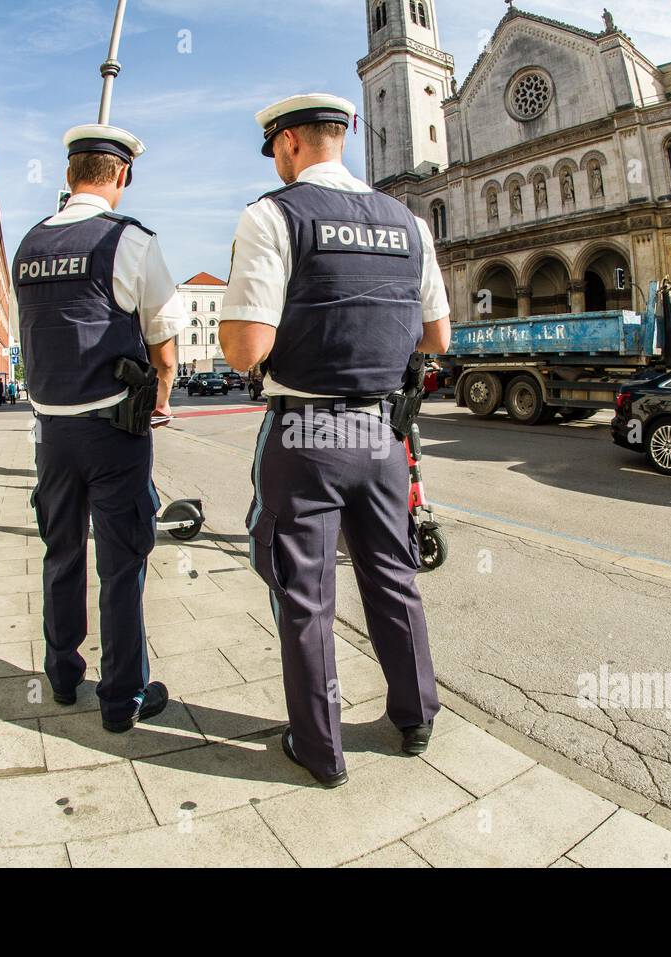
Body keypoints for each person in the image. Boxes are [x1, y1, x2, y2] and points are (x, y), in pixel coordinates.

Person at [220, 94, 452, 788]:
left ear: (289, 143)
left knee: (306, 593)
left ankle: (321, 749)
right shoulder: (410, 224)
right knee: (392, 576)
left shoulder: (273, 215)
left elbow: (246, 347)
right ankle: (415, 716)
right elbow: (439, 338)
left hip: (307, 432)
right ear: (344, 135)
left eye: (276, 150)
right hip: (382, 433)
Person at [13, 120, 187, 734]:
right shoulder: (129, 241)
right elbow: (164, 340)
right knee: (122, 562)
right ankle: (123, 698)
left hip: (50, 433)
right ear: (120, 176)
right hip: (114, 432)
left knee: (60, 553)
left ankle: (62, 677)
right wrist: (161, 395)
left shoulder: (29, 244)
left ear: (68, 175)